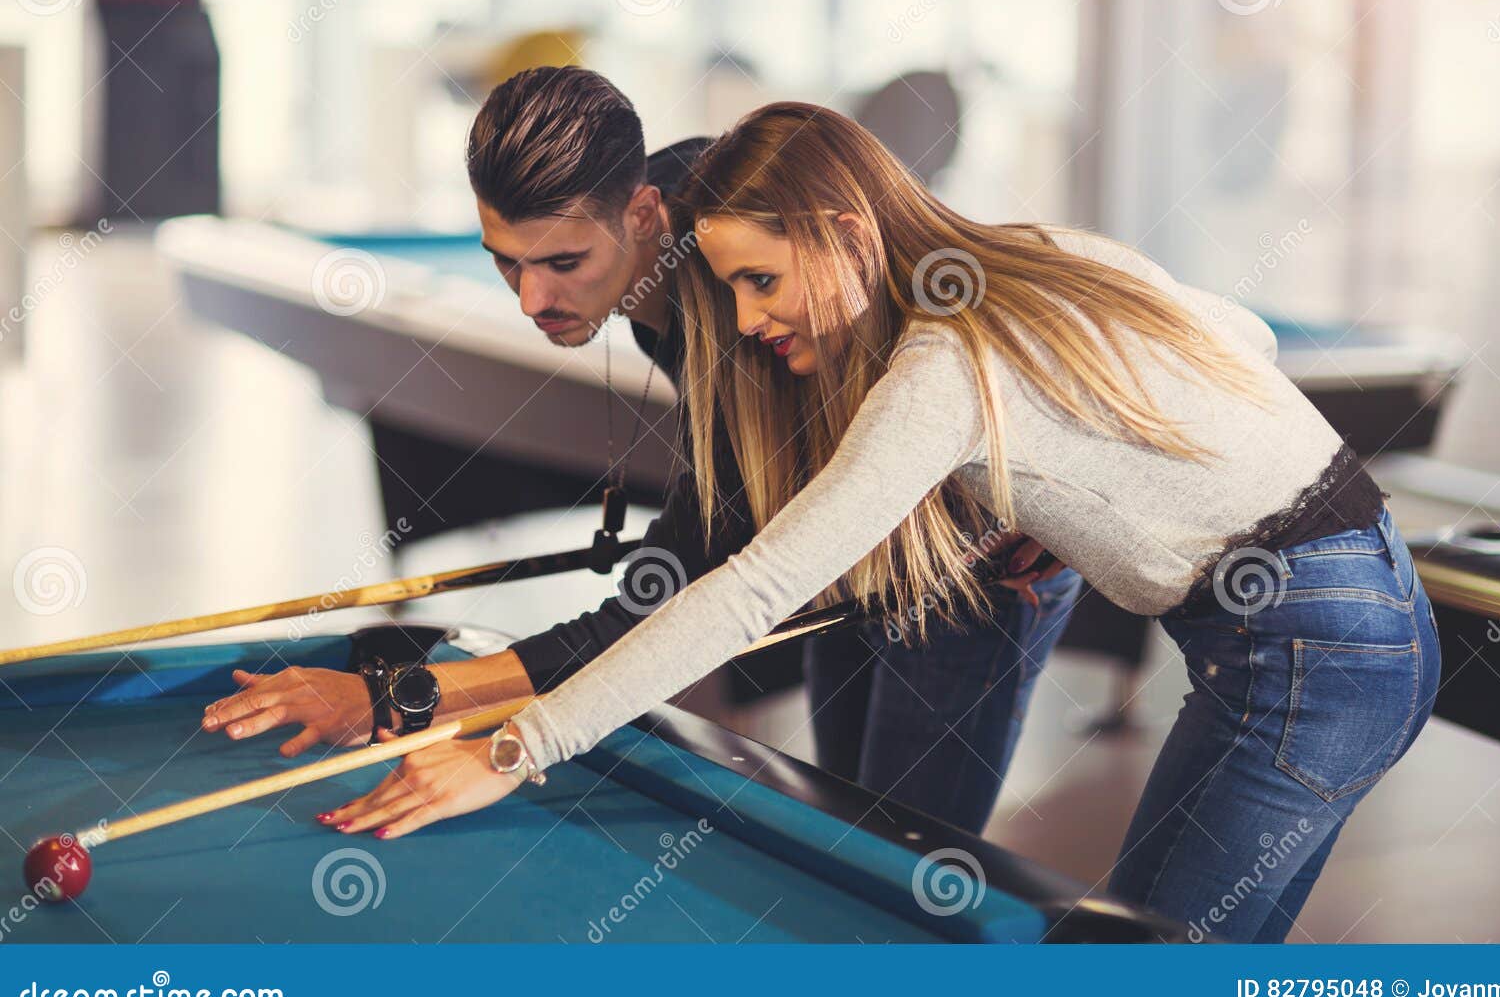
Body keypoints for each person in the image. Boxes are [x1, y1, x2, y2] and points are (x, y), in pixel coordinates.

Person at [317, 100, 1443, 943]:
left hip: (1310, 646)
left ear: (847, 231)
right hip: (1317, 621)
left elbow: (751, 587)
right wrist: (1063, 477)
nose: (747, 320)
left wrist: (521, 746)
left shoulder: (935, 371)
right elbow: (1241, 335)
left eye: (762, 281)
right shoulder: (1041, 254)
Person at [202, 68, 1081, 834]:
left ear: (643, 211)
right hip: (852, 531)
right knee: (849, 813)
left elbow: (672, 594)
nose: (532, 299)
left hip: (975, 546)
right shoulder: (667, 202)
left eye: (565, 261)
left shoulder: (734, 297)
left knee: (902, 848)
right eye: (506, 263)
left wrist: (399, 696)